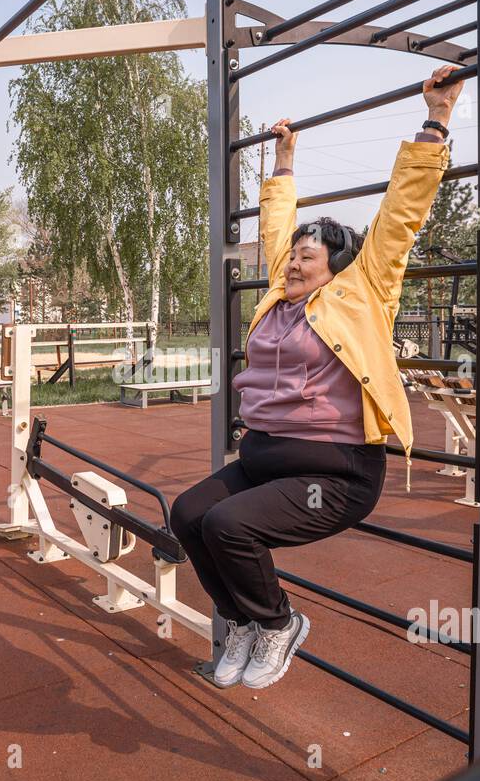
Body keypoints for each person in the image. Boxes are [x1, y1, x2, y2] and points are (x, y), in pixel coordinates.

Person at [170, 64, 462, 690]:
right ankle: (243, 619)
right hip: (264, 460)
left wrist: (435, 120)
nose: (295, 260)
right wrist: (282, 161)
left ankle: (277, 623)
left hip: (333, 473)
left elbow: (400, 216)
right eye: (293, 255)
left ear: (338, 266)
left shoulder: (363, 292)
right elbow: (276, 229)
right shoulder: (278, 297)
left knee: (228, 526)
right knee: (189, 512)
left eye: (309, 255)